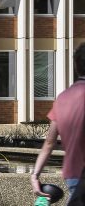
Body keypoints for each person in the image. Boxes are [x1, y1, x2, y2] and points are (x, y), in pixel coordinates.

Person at [33, 44, 85, 202]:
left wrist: (35, 175)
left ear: (76, 66)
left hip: (73, 174)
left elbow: (49, 143)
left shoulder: (62, 98)